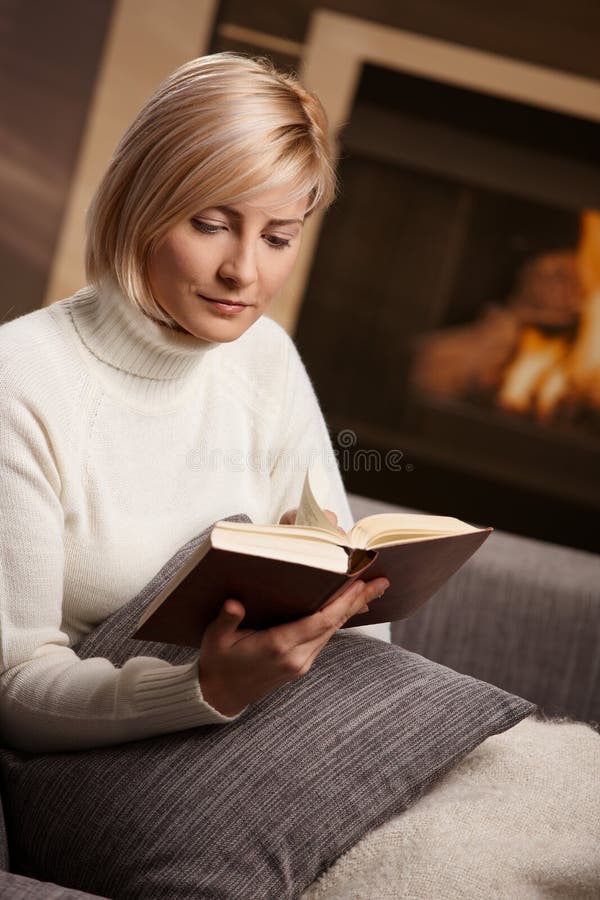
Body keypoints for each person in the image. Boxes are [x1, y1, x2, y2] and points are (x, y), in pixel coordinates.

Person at [0, 52, 390, 753]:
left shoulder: (264, 354)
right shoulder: (21, 380)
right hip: (112, 759)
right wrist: (205, 688)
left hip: (288, 734)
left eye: (278, 238)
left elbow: (361, 610)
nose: (244, 270)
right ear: (139, 208)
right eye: (211, 224)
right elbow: (13, 688)